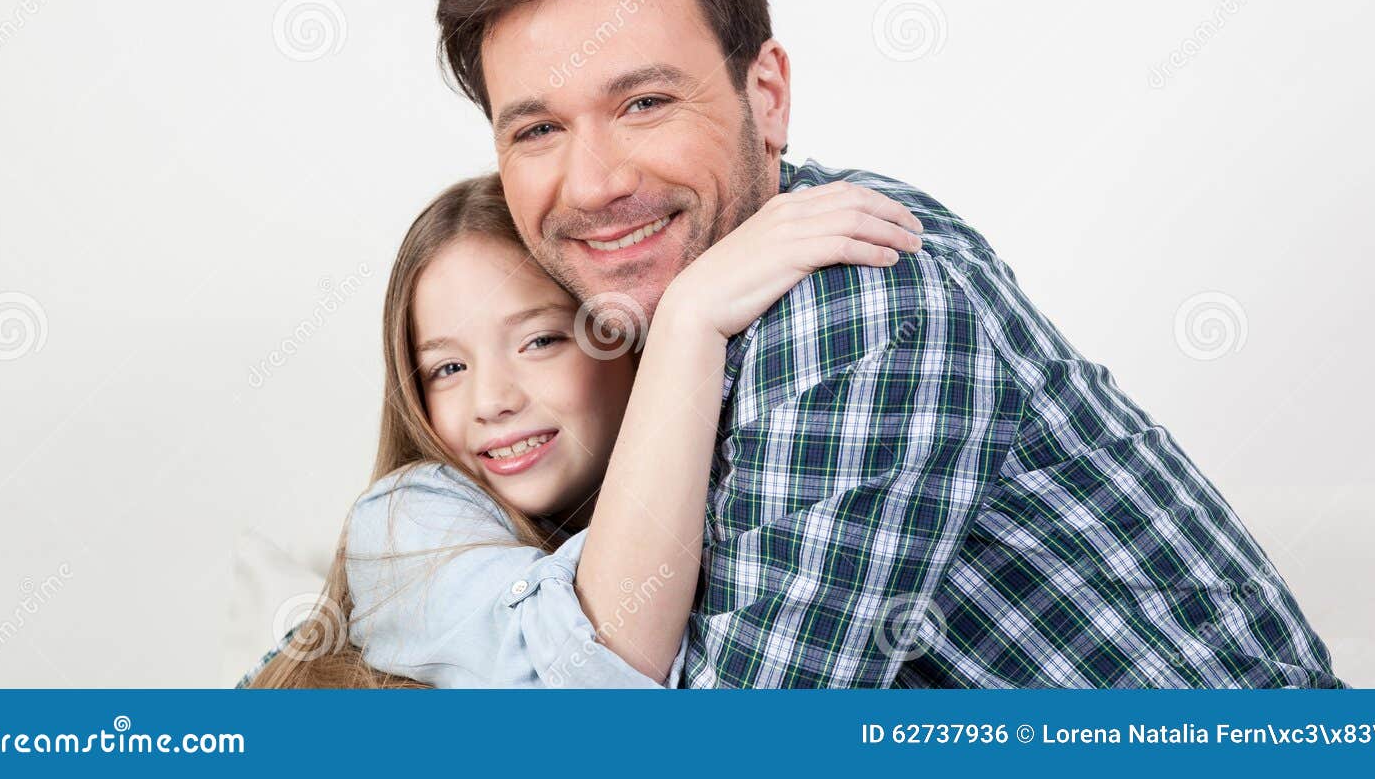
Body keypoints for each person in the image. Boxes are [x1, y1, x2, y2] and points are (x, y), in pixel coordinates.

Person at [427, 0, 1346, 688]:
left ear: (768, 95)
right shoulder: (659, 304)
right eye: (538, 129)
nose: (592, 185)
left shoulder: (860, 310)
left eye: (644, 103)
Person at [242, 172, 920, 687]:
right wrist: (691, 316)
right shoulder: (404, 518)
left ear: (622, 340)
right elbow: (583, 689)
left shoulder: (728, 480)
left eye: (538, 342)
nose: (491, 399)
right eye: (446, 366)